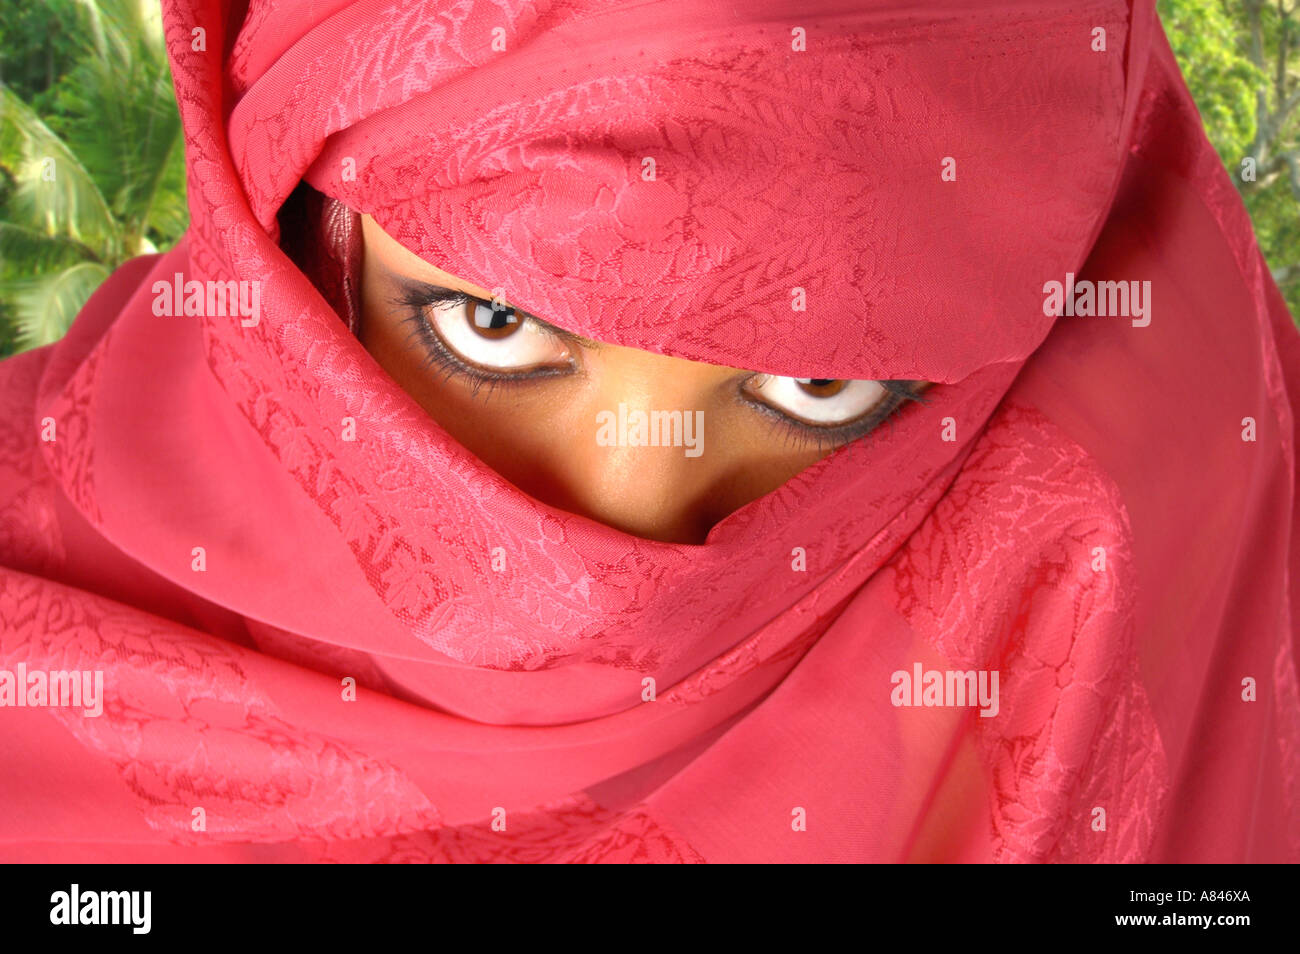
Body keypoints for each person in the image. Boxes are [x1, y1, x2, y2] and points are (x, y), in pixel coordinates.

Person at [0, 0, 1297, 862]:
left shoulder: (1132, 569)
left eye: (819, 388)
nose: (616, 545)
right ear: (281, 214)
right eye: (493, 325)